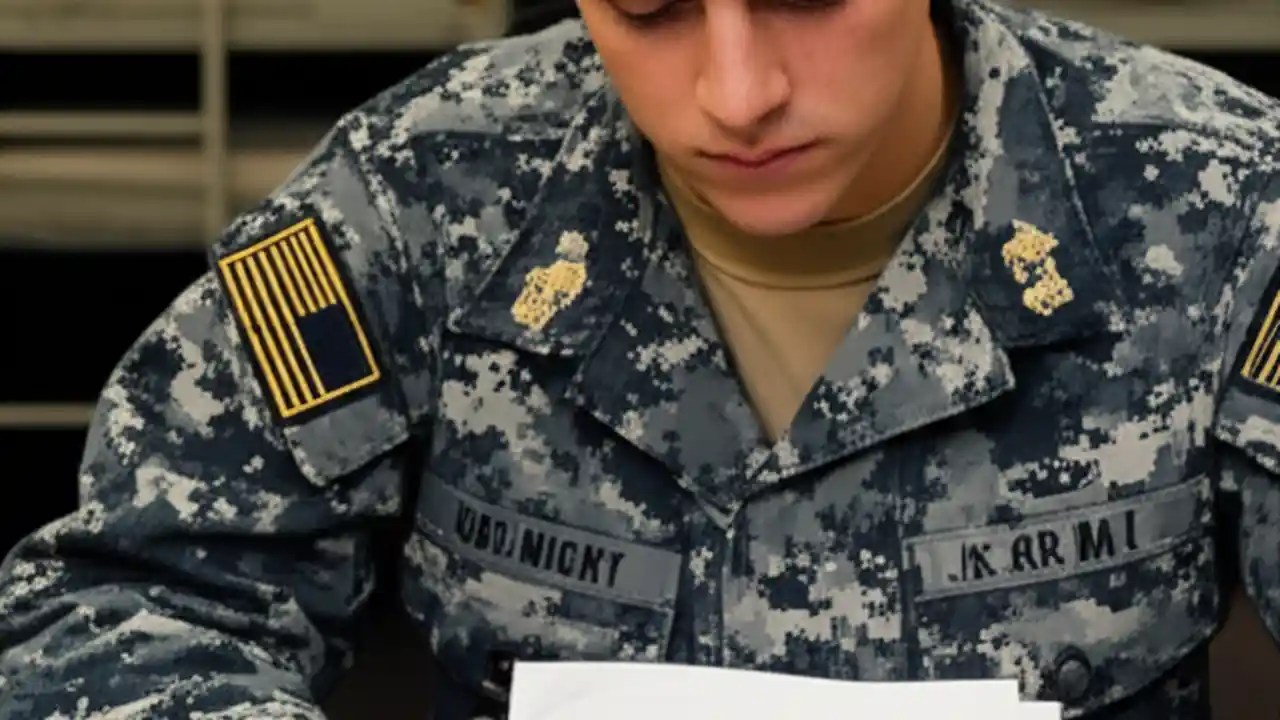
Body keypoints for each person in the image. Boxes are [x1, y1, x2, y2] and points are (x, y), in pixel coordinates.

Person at [2, 0, 1279, 716]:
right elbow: (129, 601)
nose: (733, 92)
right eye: (654, 8)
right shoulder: (422, 198)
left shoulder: (1218, 211)